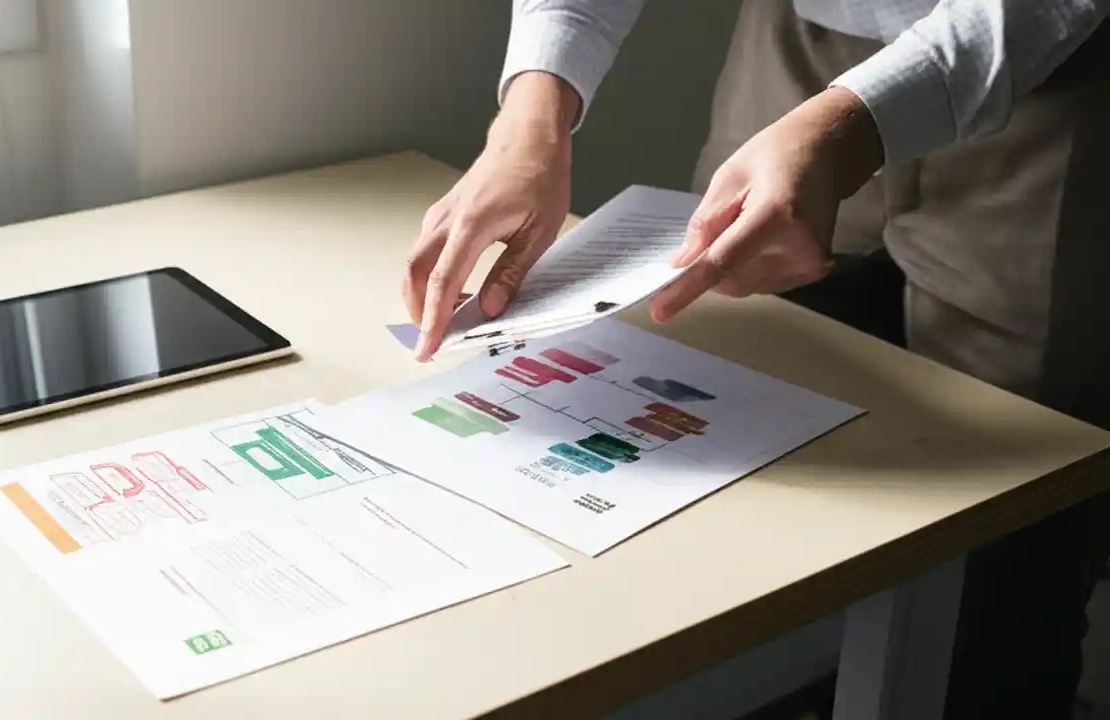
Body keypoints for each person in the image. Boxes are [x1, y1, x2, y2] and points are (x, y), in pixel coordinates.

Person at [402, 1, 1110, 717]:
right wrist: (532, 114)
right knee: (720, 409)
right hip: (800, 33)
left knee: (1007, 509)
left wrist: (845, 132)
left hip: (1044, 53)